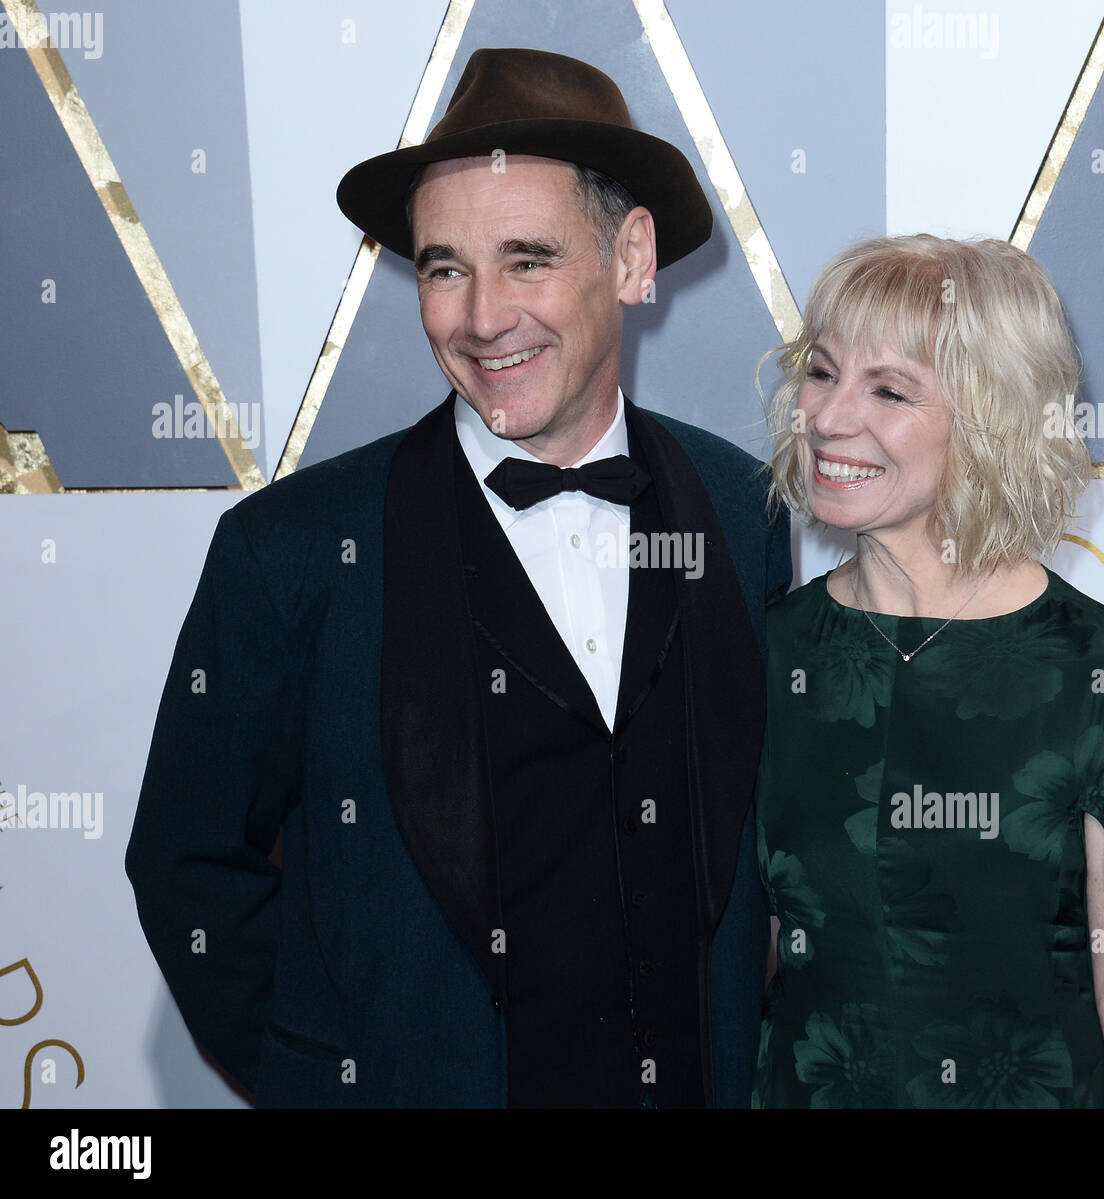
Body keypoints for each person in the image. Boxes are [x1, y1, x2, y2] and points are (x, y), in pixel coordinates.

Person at [125, 47, 790, 1109]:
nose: (481, 317)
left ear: (630, 257)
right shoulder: (290, 547)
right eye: (443, 267)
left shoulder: (739, 507)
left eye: (526, 258)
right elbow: (186, 859)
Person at [752, 235, 1104, 1108]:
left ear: (991, 418)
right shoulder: (764, 650)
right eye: (821, 372)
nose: (826, 416)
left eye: (888, 390)